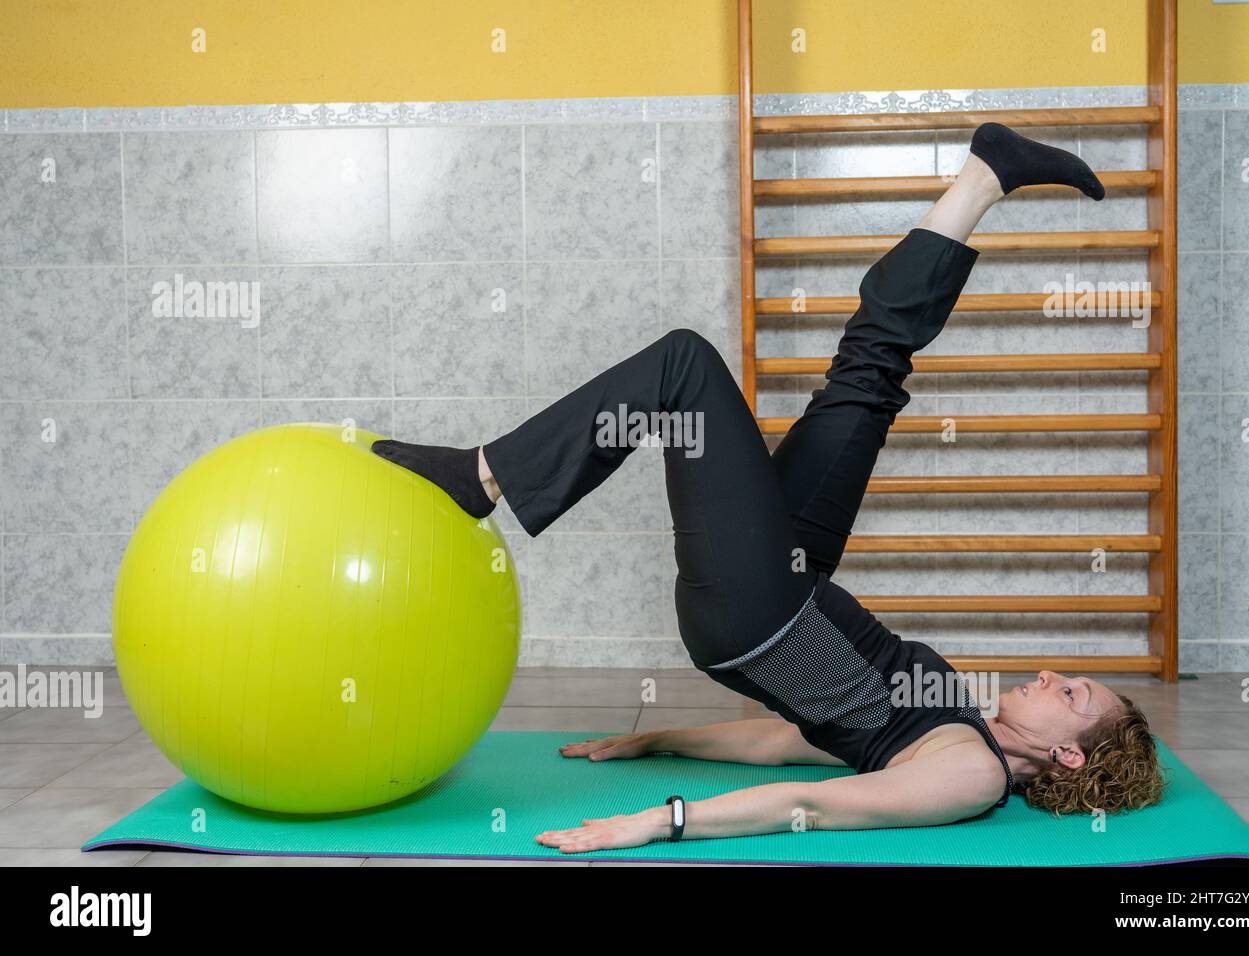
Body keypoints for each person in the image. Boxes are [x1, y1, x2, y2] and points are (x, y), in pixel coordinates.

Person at [373, 124, 1165, 853]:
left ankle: (486, 474)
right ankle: (985, 177)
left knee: (684, 365)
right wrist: (656, 742)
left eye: (1074, 694)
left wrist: (658, 822)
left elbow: (813, 804)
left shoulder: (974, 774)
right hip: (796, 583)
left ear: (1065, 753)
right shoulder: (966, 723)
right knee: (867, 376)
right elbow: (791, 741)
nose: (1055, 677)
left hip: (759, 614)